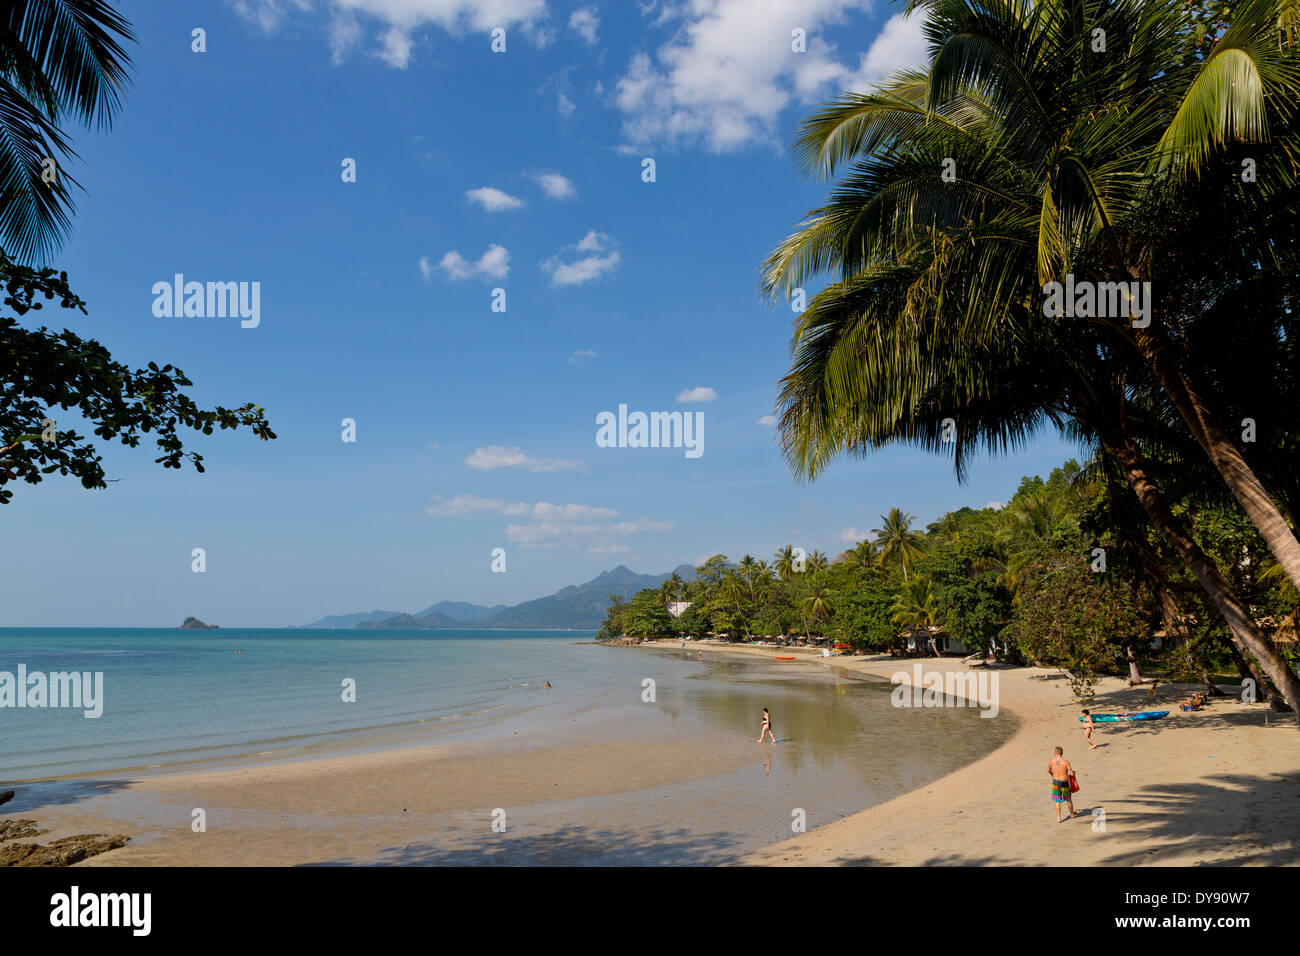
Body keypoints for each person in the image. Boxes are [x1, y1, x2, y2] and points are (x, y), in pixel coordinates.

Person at [1049, 746, 1077, 822]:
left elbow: (1048, 770)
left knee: (1057, 800)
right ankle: (1072, 814)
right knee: (1068, 799)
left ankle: (1059, 818)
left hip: (1056, 782)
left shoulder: (1051, 761)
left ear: (1055, 753)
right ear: (1062, 753)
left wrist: (1053, 775)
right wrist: (1073, 773)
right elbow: (1071, 773)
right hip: (1065, 783)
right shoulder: (1065, 762)